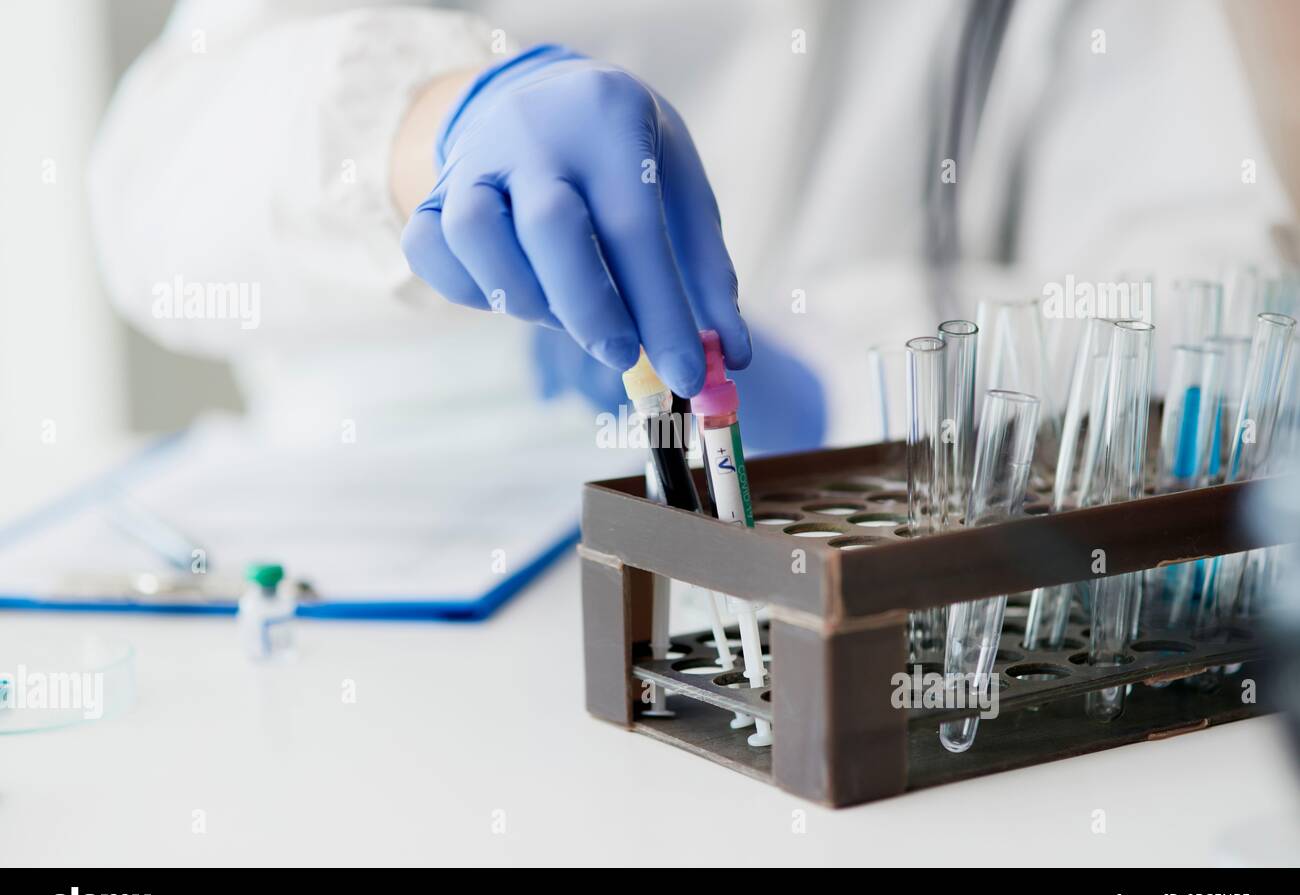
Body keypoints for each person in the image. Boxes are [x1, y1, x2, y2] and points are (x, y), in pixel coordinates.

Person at [89, 0, 1296, 455]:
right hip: (392, 533)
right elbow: (151, 196)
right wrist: (437, 124)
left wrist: (853, 387)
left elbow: (1209, 313)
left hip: (852, 556)